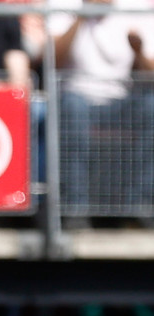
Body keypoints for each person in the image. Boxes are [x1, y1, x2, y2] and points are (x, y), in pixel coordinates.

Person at [49, 0, 154, 227]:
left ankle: (141, 206)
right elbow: (51, 61)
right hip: (75, 99)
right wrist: (81, 16)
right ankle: (75, 209)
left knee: (151, 107)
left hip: (120, 103)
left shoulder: (136, 8)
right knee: (72, 108)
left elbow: (151, 73)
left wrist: (138, 50)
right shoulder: (65, 6)